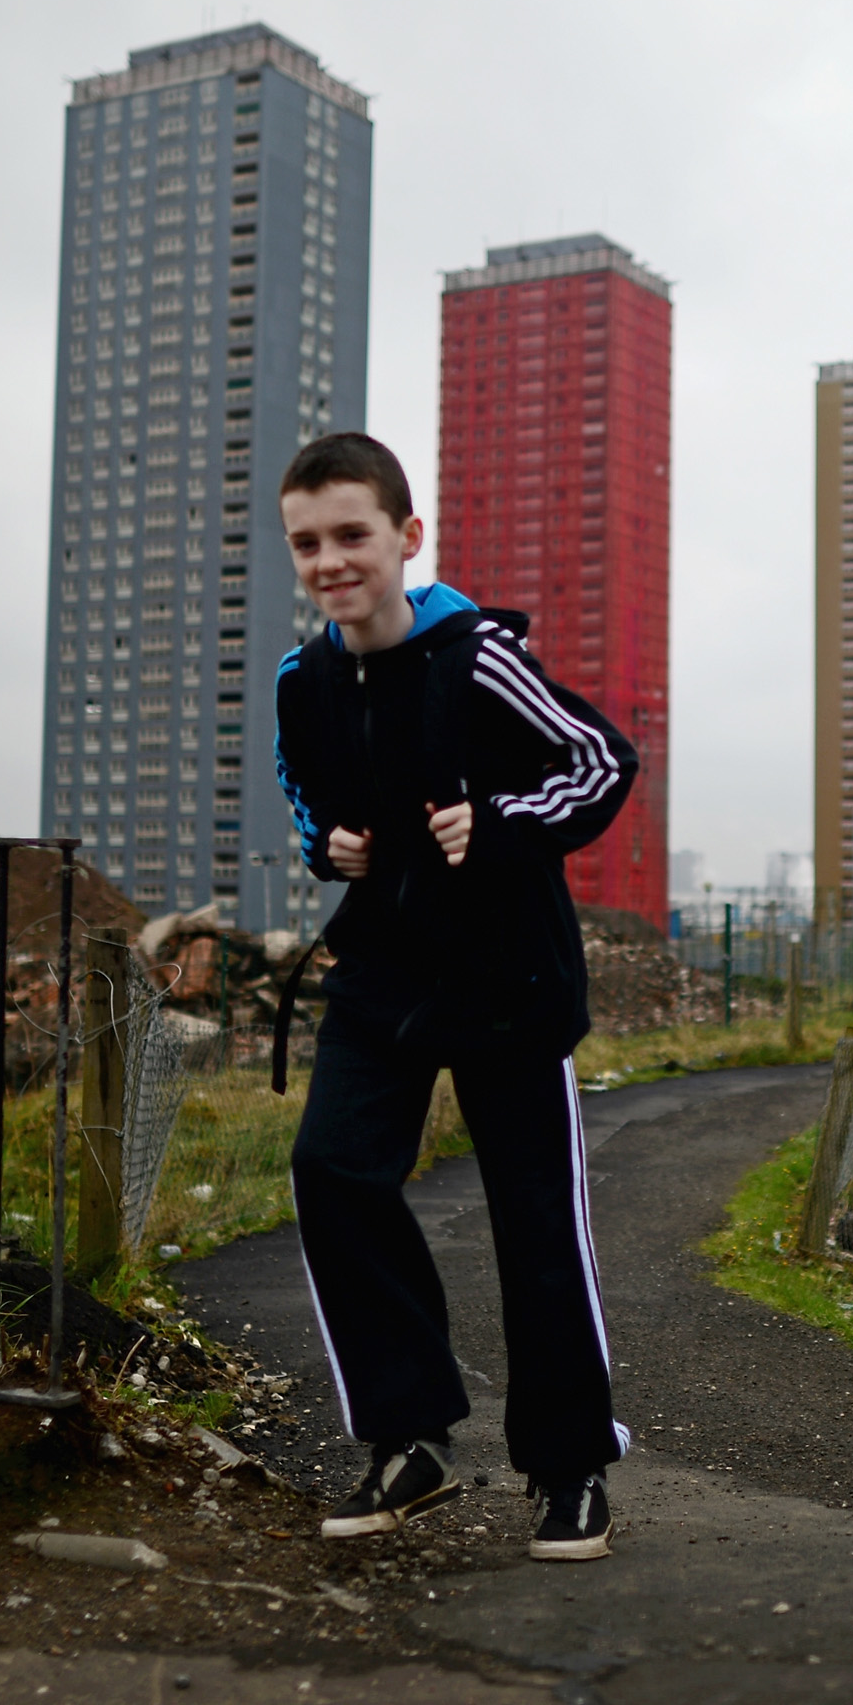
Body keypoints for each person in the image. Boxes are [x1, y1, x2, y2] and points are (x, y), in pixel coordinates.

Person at [269, 431, 637, 1562]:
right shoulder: (304, 680)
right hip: (383, 974)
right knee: (333, 1170)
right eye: (307, 542)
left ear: (405, 538)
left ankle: (570, 1467)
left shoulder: (477, 657)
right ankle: (408, 1437)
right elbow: (301, 795)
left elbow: (600, 756)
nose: (331, 559)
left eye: (351, 534)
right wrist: (328, 847)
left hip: (507, 977)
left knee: (536, 1220)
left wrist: (503, 821)